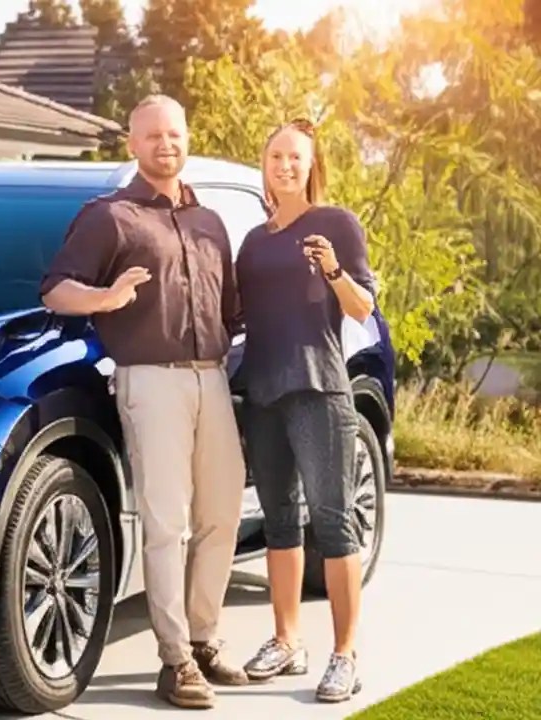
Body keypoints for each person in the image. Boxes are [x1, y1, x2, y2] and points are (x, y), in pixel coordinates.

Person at [39, 94, 248, 710]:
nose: (166, 144)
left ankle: (205, 638)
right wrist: (105, 300)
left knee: (223, 514)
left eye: (175, 134)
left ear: (187, 138)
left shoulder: (209, 221)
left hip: (211, 376)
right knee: (168, 523)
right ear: (132, 144)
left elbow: (232, 309)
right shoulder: (110, 217)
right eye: (153, 135)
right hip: (149, 380)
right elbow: (56, 290)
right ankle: (175, 659)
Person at [234, 117, 377, 703]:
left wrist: (333, 269)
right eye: (275, 157)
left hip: (319, 391)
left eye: (295, 157)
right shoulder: (255, 240)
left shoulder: (336, 223)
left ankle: (345, 655)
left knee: (335, 522)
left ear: (310, 165)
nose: (284, 165)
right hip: (263, 393)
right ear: (264, 165)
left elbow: (363, 308)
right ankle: (286, 640)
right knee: (280, 522)